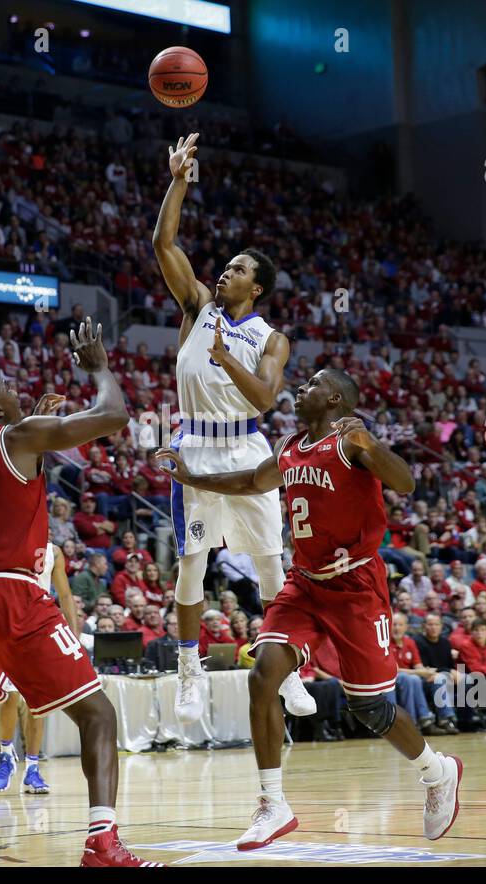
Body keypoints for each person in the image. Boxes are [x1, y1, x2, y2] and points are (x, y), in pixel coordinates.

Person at [157, 367, 462, 851]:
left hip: (357, 586)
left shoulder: (352, 443)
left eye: (312, 385)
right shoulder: (289, 448)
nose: (300, 390)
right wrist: (191, 477)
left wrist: (371, 443)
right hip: (305, 585)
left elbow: (404, 482)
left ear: (336, 398)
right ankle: (272, 802)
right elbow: (251, 482)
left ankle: (437, 771)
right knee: (263, 673)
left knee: (370, 707)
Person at [0, 319, 161, 867]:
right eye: (8, 387)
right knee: (98, 715)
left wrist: (39, 427)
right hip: (11, 591)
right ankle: (102, 844)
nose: (16, 388)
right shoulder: (19, 436)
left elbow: (9, 482)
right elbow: (114, 416)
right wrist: (97, 365)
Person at [151, 133, 313, 726]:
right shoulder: (197, 306)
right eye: (226, 265)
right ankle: (188, 671)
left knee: (273, 565)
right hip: (196, 443)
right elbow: (163, 242)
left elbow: (268, 397)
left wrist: (226, 358)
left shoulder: (271, 337)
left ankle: (289, 669)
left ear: (258, 287)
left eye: (239, 268)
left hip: (247, 444)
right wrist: (178, 181)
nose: (226, 270)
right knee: (191, 564)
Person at [0, 542, 76, 795]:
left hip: (40, 629)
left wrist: (73, 635)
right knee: (8, 696)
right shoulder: (7, 543)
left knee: (36, 705)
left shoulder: (55, 551)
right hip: (9, 627)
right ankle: (5, 755)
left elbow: (66, 594)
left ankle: (32, 769)